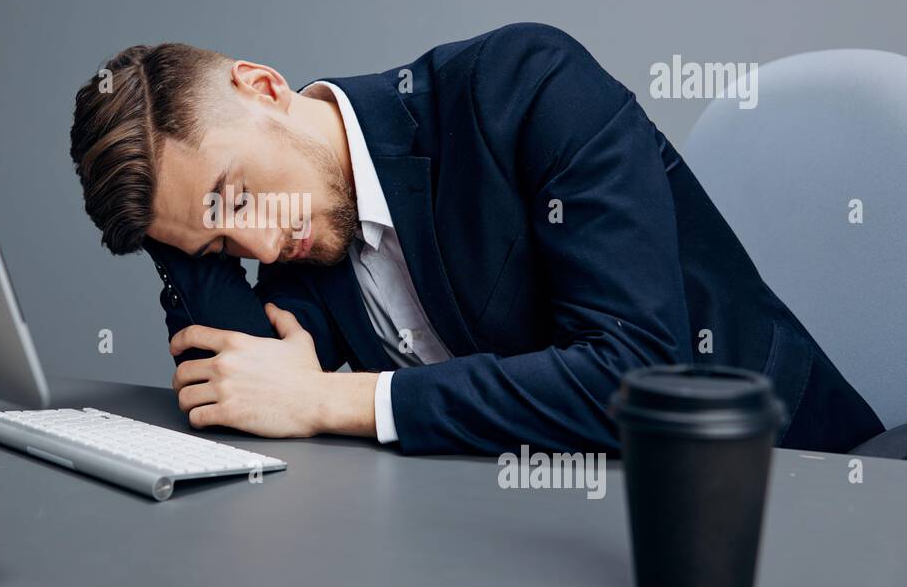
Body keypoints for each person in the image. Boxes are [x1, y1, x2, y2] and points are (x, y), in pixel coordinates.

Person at [68, 23, 884, 455]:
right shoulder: (294, 236)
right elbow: (243, 388)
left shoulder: (525, 87)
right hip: (544, 549)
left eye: (236, 194)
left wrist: (334, 401)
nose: (258, 243)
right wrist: (168, 218)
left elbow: (636, 376)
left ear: (261, 86)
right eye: (222, 247)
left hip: (778, 482)